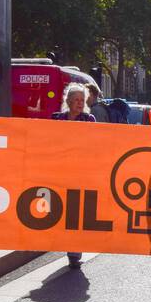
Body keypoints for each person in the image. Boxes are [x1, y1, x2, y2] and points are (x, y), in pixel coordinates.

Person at [51, 84, 97, 268]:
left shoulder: (89, 119)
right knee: (62, 213)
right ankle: (68, 246)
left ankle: (74, 251)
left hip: (81, 174)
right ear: (68, 101)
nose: (79, 103)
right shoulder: (56, 119)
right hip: (60, 173)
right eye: (76, 100)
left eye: (82, 100)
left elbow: (95, 144)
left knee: (77, 214)